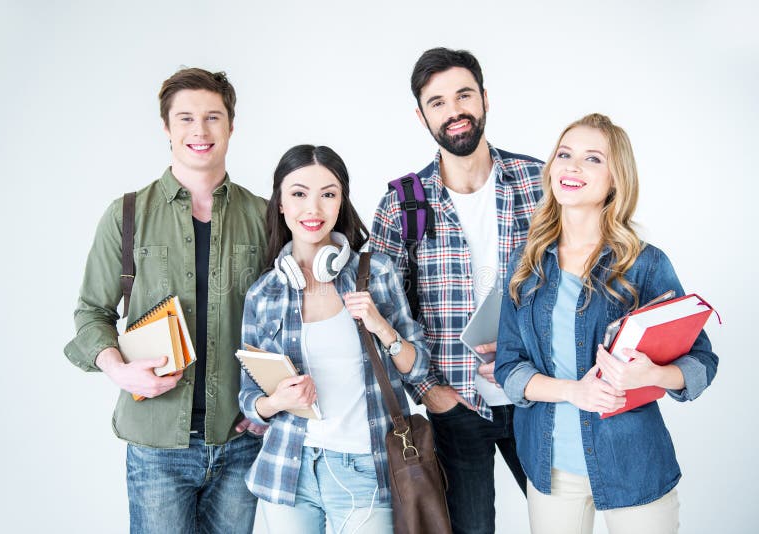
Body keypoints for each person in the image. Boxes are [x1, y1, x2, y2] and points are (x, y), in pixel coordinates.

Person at [64, 67, 267, 533]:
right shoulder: (127, 214)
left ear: (231, 125)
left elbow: (284, 319)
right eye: (186, 118)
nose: (200, 131)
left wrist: (270, 407)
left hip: (240, 440)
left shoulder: (262, 215)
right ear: (166, 127)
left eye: (213, 117)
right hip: (156, 445)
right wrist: (118, 369)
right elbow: (91, 312)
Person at [494, 113, 718, 534]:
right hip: (550, 467)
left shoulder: (645, 265)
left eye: (593, 158)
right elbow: (508, 367)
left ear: (616, 180)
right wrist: (573, 392)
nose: (573, 166)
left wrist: (652, 375)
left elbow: (702, 362)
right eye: (565, 154)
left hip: (633, 465)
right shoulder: (526, 263)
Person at [370, 47, 542, 533]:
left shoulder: (539, 182)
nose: (454, 111)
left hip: (537, 394)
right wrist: (429, 391)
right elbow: (382, 314)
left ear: (485, 98)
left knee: (563, 522)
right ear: (421, 115)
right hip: (457, 405)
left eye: (464, 95)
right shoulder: (402, 204)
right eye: (438, 102)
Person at [238, 144, 430, 534]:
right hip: (288, 470)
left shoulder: (376, 273)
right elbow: (248, 397)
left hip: (365, 467)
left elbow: (418, 367)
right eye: (299, 194)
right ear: (280, 204)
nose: (313, 208)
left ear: (341, 202)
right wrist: (277, 402)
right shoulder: (263, 293)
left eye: (328, 194)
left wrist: (381, 327)